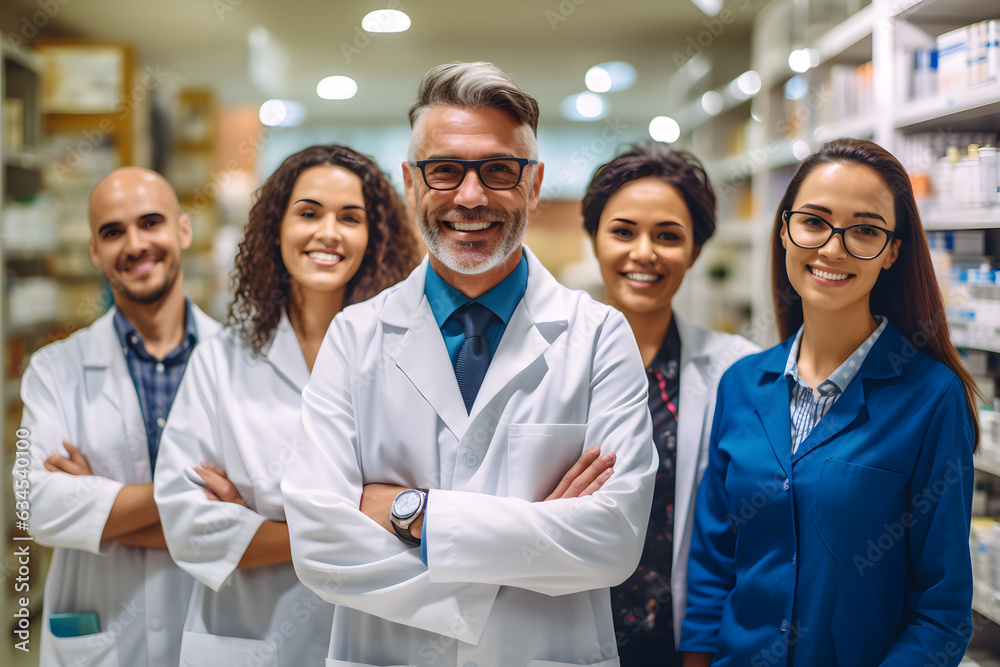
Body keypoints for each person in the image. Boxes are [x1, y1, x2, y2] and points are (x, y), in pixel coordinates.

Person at [281, 61, 658, 667]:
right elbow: (321, 547)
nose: (471, 196)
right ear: (410, 183)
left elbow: (611, 543)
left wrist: (408, 512)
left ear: (533, 184)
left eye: (499, 171)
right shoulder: (354, 337)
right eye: (445, 171)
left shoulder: (598, 337)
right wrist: (532, 540)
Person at [680, 138, 979, 666]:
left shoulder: (931, 398)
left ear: (892, 251)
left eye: (864, 230)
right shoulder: (742, 383)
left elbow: (942, 611)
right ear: (784, 230)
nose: (833, 248)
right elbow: (713, 565)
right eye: (814, 221)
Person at [152, 145, 420, 666]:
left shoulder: (409, 358)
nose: (328, 233)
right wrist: (366, 516)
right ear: (276, 228)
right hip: (250, 636)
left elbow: (435, 510)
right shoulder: (220, 361)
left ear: (374, 237)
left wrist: (258, 525)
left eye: (350, 217)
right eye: (309, 212)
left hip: (373, 635)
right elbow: (188, 526)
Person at [16, 167, 221, 667]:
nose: (134, 244)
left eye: (150, 223)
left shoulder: (240, 360)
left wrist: (99, 499)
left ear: (183, 230)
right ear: (94, 251)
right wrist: (197, 495)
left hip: (213, 626)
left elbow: (260, 505)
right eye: (112, 232)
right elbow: (37, 503)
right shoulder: (56, 369)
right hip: (104, 634)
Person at [582, 145, 758, 664]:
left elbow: (738, 525)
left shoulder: (736, 369)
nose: (644, 252)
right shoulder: (538, 361)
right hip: (561, 627)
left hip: (679, 643)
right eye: (622, 231)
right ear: (594, 238)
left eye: (668, 236)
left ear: (696, 250)